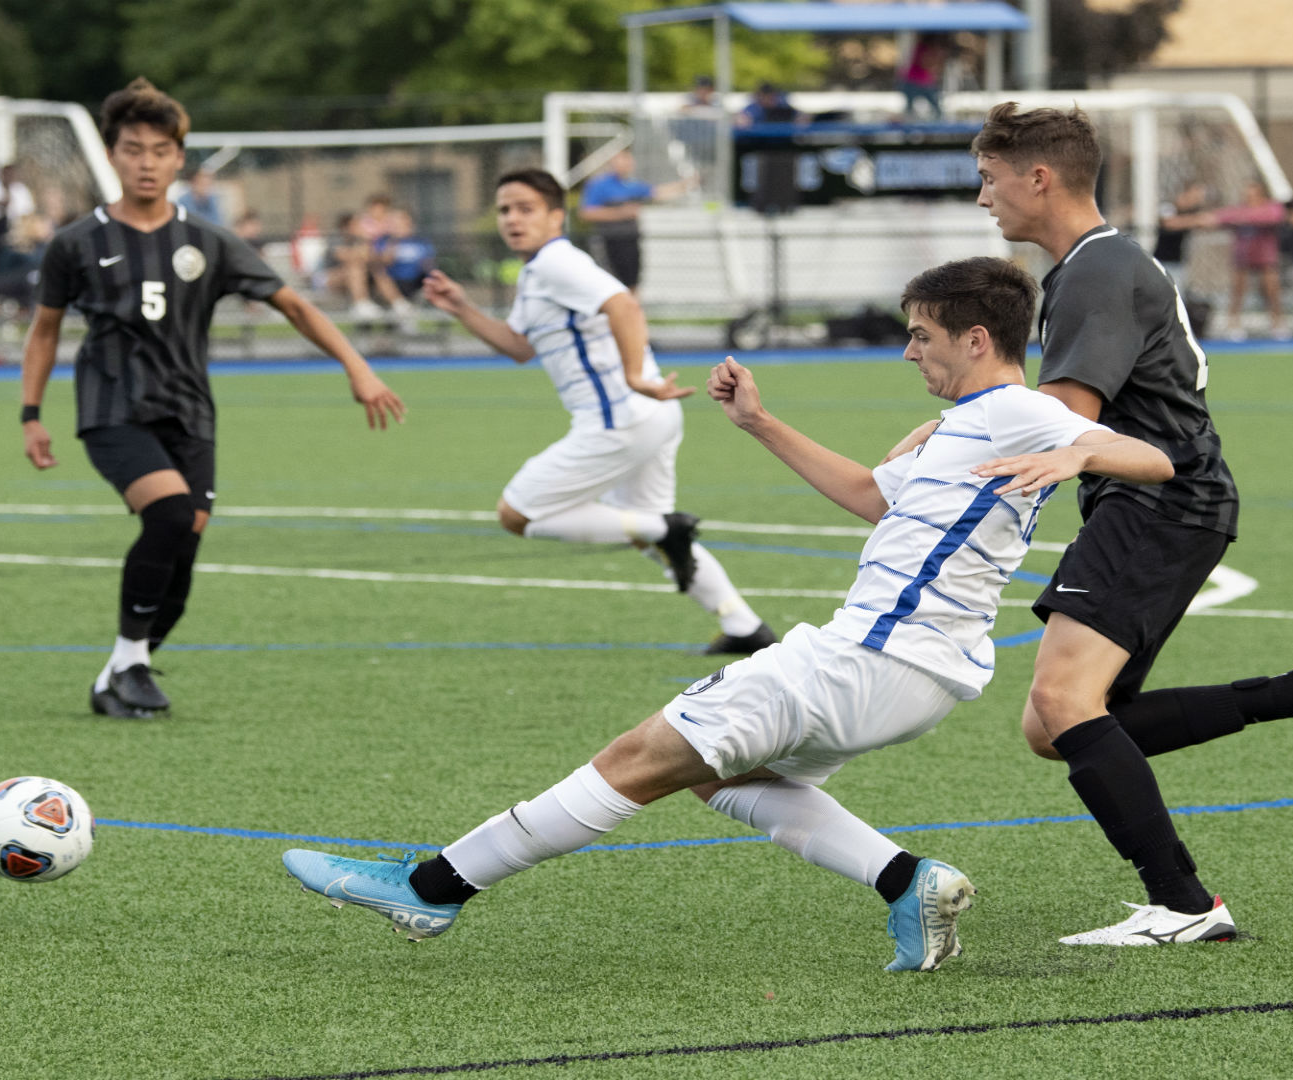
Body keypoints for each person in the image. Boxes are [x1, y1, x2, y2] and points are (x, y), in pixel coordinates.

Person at [282, 257, 1176, 969]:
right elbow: (872, 496)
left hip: (865, 659)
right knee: (720, 778)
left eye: (921, 335)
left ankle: (432, 890)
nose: (910, 353)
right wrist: (759, 422)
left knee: (635, 758)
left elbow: (1154, 459)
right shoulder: (967, 423)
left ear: (976, 339)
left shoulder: (1020, 411)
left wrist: (1079, 454)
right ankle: (909, 882)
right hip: (915, 675)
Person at [968, 103, 1293, 945]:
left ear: (1039, 177)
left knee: (1062, 700)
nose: (984, 197)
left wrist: (955, 426)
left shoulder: (1097, 268)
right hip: (1158, 502)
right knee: (1055, 727)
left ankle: (1184, 904)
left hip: (1160, 502)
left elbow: (1067, 417)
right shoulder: (1093, 263)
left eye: (990, 178)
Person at [19, 78, 405, 719]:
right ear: (112, 156)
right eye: (133, 150)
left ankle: (119, 673)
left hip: (190, 412)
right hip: (112, 409)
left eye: (160, 151)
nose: (146, 163)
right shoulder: (76, 243)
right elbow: (44, 331)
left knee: (183, 549)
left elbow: (293, 304)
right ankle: (131, 665)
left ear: (179, 159)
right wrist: (31, 415)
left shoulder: (209, 240)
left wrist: (357, 367)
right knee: (170, 514)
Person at [419, 169, 773, 655]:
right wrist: (463, 308)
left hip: (621, 419)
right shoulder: (538, 271)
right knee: (647, 534)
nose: (512, 219)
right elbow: (520, 346)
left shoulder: (557, 262)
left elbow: (623, 305)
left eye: (526, 208)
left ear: (555, 217)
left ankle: (664, 529)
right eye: (504, 210)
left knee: (516, 513)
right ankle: (743, 626)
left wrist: (633, 375)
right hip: (648, 416)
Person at [577, 149, 687, 291]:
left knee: (632, 284)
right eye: (622, 160)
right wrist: (620, 213)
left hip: (630, 240)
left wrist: (686, 184)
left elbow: (657, 192)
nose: (627, 164)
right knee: (611, 284)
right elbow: (586, 213)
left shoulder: (631, 185)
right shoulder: (599, 185)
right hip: (609, 241)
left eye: (629, 160)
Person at [1213, 179, 1289, 340]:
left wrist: (1243, 217)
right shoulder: (1239, 210)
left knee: (1271, 291)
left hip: (1265, 256)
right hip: (1243, 255)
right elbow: (1218, 217)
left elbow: (1275, 216)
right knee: (1238, 291)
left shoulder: (1271, 208)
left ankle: (1277, 323)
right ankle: (1233, 324)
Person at [1154, 179, 1210, 293]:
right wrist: (1195, 220)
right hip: (1162, 260)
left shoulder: (1191, 212)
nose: (1198, 200)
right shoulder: (1169, 207)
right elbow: (1169, 223)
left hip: (1178, 262)